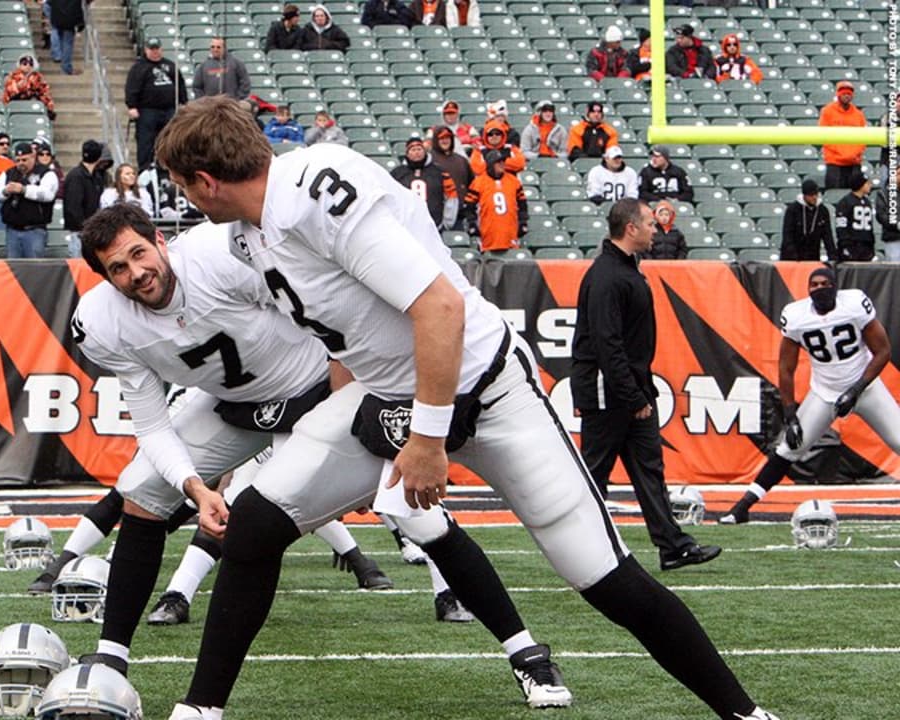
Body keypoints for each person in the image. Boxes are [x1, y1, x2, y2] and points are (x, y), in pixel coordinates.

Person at [153, 97, 781, 720]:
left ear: (205, 182)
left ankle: (745, 714)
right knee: (254, 525)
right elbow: (341, 330)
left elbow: (440, 307)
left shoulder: (312, 192)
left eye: (184, 185)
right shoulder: (247, 235)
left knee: (603, 577)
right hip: (392, 397)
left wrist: (426, 440)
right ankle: (201, 709)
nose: (186, 199)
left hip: (486, 392)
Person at [66, 205, 568, 695]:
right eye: (118, 268)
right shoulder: (105, 322)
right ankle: (112, 653)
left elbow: (324, 310)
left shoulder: (218, 255)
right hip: (236, 404)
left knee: (418, 518)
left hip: (320, 385)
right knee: (143, 491)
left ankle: (525, 652)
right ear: (105, 280)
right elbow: (152, 425)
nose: (136, 273)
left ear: (159, 240)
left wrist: (345, 402)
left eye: (138, 254)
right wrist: (194, 488)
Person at [573, 198, 721, 567]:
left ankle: (673, 546)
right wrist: (632, 395)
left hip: (631, 389)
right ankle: (579, 549)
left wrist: (639, 392)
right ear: (631, 228)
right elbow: (607, 345)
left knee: (648, 468)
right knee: (594, 476)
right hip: (612, 392)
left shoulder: (625, 269)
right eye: (651, 224)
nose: (657, 230)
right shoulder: (608, 276)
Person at [721, 267, 900, 525]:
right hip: (825, 392)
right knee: (789, 449)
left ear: (835, 287)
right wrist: (790, 414)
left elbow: (882, 351)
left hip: (866, 387)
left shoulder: (854, 305)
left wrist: (856, 390)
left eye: (825, 283)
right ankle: (742, 507)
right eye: (814, 284)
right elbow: (786, 367)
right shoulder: (797, 316)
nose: (819, 288)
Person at [125, 37, 189, 170]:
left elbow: (180, 85)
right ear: (146, 50)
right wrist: (132, 106)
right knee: (146, 142)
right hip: (147, 110)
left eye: (157, 49)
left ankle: (167, 168)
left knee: (169, 140)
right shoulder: (139, 67)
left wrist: (184, 102)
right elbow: (132, 87)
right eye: (152, 49)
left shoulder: (170, 65)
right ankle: (145, 169)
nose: (155, 52)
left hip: (169, 109)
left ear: (161, 49)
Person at [0, 142, 58, 258]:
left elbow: (48, 195)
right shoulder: (9, 173)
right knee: (14, 268)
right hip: (12, 229)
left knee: (35, 268)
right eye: (18, 160)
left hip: (34, 229)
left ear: (33, 157)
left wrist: (24, 190)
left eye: (24, 160)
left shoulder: (46, 173)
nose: (20, 163)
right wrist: (6, 191)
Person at [391, 136, 457, 231]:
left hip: (434, 225)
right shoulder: (397, 173)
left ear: (425, 151)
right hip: (406, 226)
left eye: (419, 149)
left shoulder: (439, 172)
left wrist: (447, 222)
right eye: (413, 150)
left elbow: (451, 195)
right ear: (407, 153)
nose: (417, 152)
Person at [466, 149, 526, 252]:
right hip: (488, 234)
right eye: (498, 162)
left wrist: (523, 221)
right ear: (490, 164)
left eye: (503, 161)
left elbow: (522, 204)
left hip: (510, 233)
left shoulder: (514, 181)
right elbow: (469, 206)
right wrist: (472, 223)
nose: (502, 164)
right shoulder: (478, 183)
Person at [819, 81, 867, 189]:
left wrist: (853, 154)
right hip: (834, 162)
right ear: (838, 94)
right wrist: (842, 153)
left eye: (849, 94)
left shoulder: (859, 115)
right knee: (834, 194)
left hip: (853, 163)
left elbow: (863, 139)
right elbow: (824, 136)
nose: (846, 95)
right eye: (844, 93)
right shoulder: (828, 111)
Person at [780, 178, 836, 261]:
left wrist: (832, 256)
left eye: (816, 194)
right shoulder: (793, 210)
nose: (814, 197)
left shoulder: (822, 210)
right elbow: (788, 234)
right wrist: (793, 256)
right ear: (804, 195)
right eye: (811, 195)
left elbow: (827, 236)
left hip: (813, 257)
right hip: (792, 258)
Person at [63, 139, 108, 239]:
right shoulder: (76, 176)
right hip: (79, 231)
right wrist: (85, 227)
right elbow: (73, 207)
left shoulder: (96, 177)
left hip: (92, 231)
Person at [1, 54, 58, 121]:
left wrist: (49, 107)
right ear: (20, 65)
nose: (28, 66)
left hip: (33, 107)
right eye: (24, 63)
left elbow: (45, 93)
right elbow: (8, 93)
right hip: (16, 106)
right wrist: (18, 87)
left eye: (30, 64)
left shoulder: (38, 77)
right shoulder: (12, 76)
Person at [834, 170, 875, 261]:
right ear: (860, 185)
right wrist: (845, 245)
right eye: (867, 183)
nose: (870, 185)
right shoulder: (845, 202)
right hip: (852, 245)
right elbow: (841, 226)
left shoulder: (867, 202)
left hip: (866, 245)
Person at [49, 0, 83, 75]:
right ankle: (66, 68)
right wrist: (80, 23)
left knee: (61, 39)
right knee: (67, 43)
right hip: (69, 19)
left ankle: (61, 60)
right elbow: (78, 8)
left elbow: (49, 3)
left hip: (57, 17)